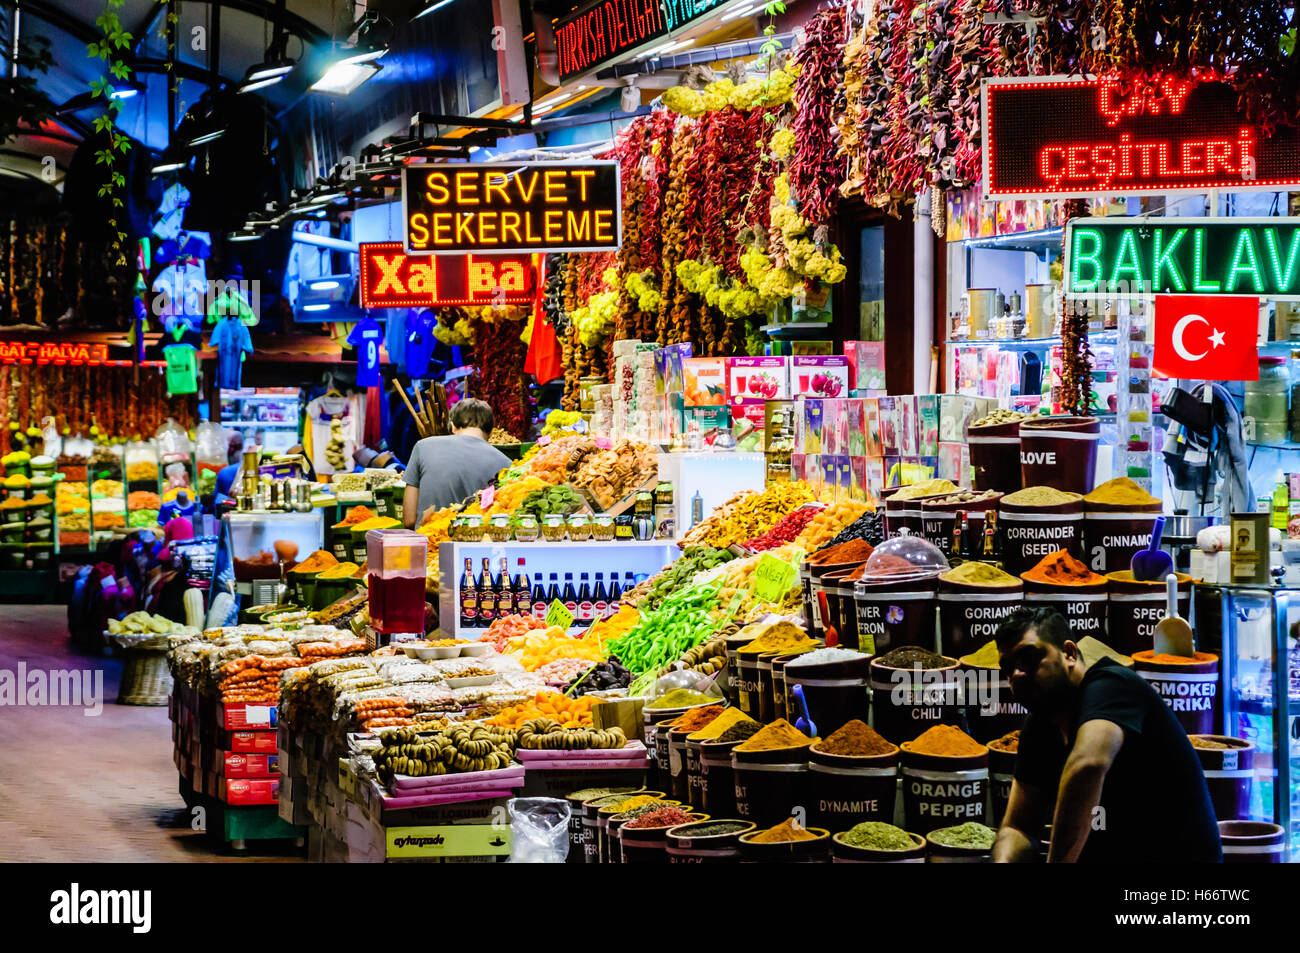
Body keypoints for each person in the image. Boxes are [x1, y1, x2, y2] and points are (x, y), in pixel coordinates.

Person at [991, 607, 1221, 864]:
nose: (1017, 675)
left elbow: (1087, 765)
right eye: (1007, 668)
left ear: (1069, 653)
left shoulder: (1112, 686)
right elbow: (1018, 827)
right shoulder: (1039, 726)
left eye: (1029, 658)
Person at [402, 398, 509, 527]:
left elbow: (409, 520)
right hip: (473, 542)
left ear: (452, 427)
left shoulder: (423, 446)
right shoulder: (505, 463)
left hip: (429, 541)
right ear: (491, 432)